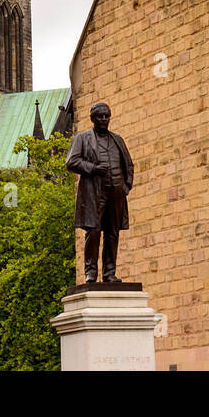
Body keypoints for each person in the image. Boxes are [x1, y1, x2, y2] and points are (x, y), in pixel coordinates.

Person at [66, 102, 134, 283]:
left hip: (116, 193)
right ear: (93, 118)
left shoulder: (117, 140)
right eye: (100, 116)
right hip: (94, 193)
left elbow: (128, 164)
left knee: (113, 233)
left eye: (107, 116)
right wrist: (94, 168)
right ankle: (90, 272)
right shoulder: (82, 139)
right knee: (94, 232)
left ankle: (109, 273)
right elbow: (72, 162)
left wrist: (126, 186)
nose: (104, 119)